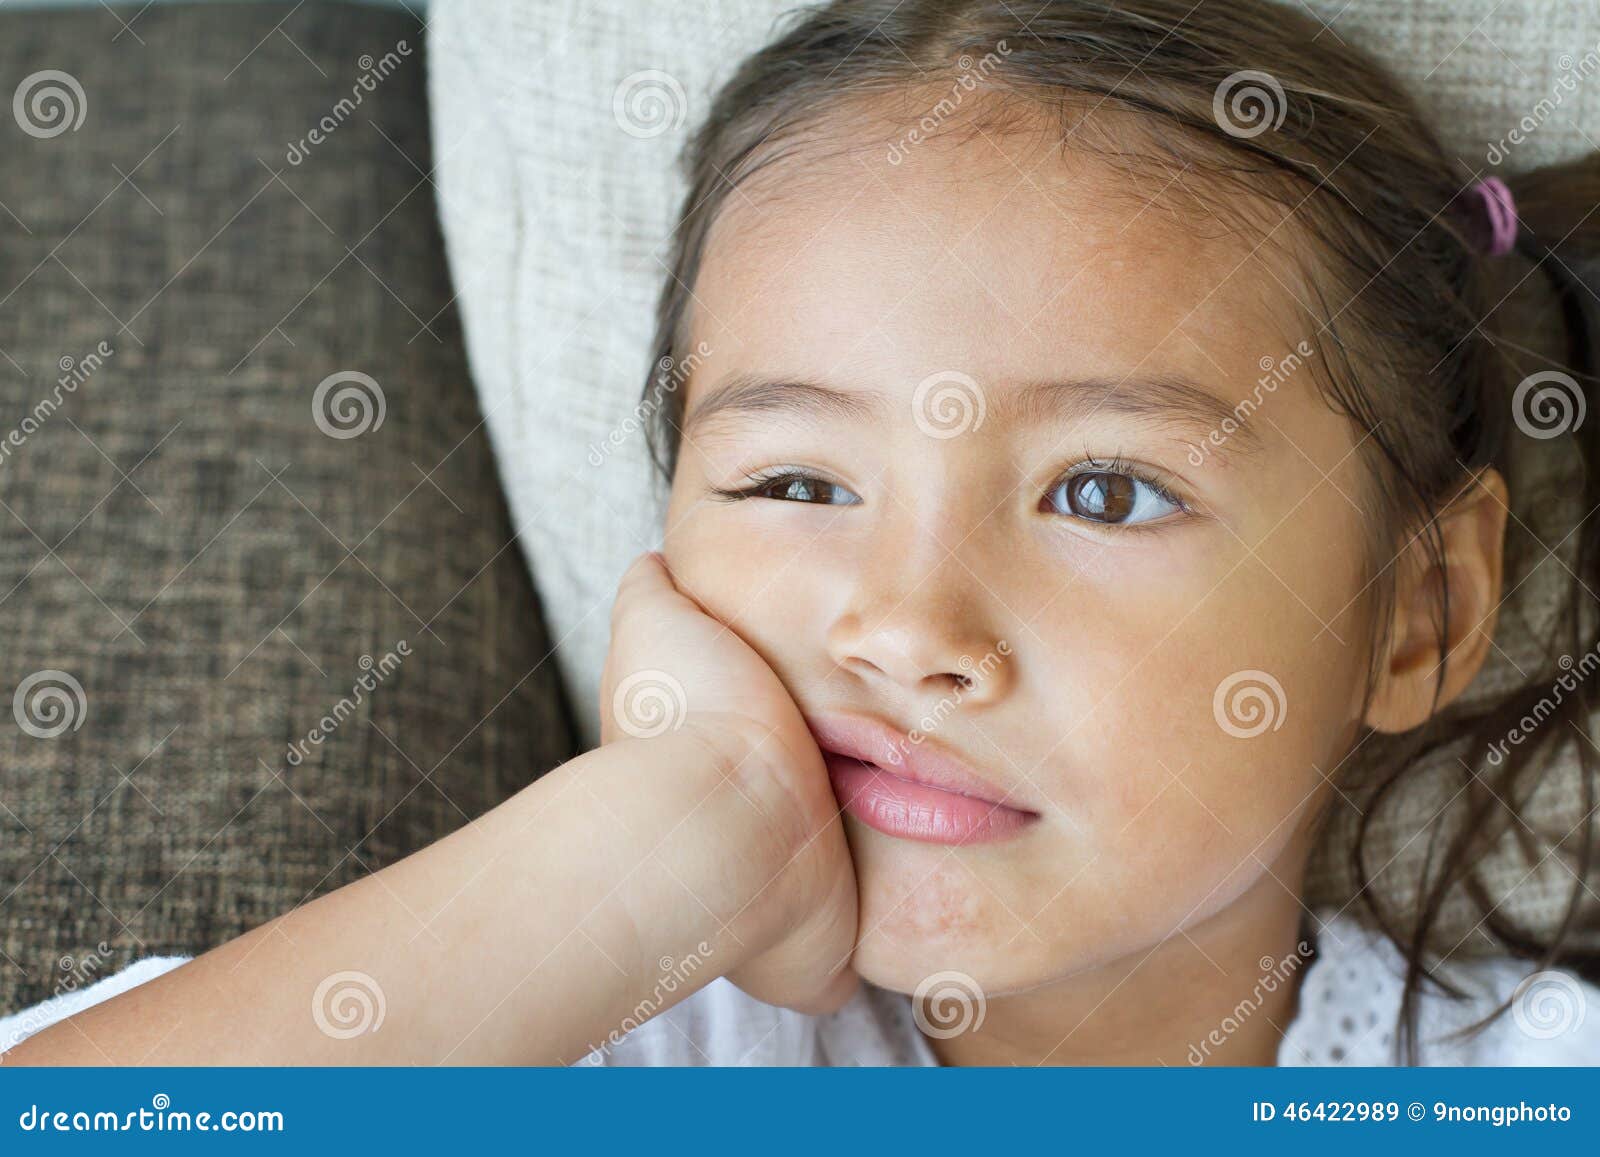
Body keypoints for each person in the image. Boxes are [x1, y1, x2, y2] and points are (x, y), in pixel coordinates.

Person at [7, 0, 1600, 1066]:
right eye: (800, 483)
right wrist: (659, 840)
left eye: (1106, 490)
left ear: (1416, 608)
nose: (905, 626)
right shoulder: (588, 1015)